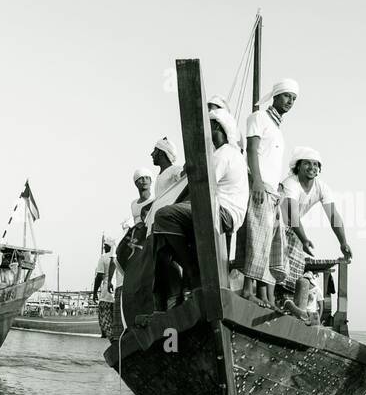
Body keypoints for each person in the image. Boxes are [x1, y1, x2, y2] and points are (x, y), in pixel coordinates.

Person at [151, 108, 249, 308]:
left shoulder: (223, 154)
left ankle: (191, 271)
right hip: (224, 211)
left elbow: (202, 186)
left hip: (221, 212)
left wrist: (177, 204)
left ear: (215, 127)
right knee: (175, 223)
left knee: (164, 217)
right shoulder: (230, 153)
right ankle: (186, 283)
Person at [240, 79, 296, 308]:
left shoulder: (278, 129)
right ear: (275, 96)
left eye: (293, 99)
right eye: (286, 97)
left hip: (273, 192)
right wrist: (257, 182)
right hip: (260, 185)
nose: (290, 102)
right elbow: (252, 151)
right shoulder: (258, 118)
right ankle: (247, 290)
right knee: (256, 236)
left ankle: (263, 295)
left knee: (269, 243)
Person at [278, 146, 352, 295]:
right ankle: (277, 296)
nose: (312, 167)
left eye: (316, 164)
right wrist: (304, 239)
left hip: (292, 229)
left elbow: (333, 216)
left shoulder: (321, 187)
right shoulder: (290, 183)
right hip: (275, 225)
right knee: (279, 268)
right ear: (298, 166)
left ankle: (287, 300)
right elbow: (291, 215)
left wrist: (343, 242)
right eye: (307, 163)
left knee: (294, 272)